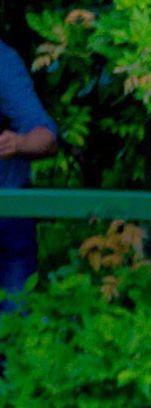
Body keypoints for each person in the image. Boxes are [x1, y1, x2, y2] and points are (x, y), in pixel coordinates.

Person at [1, 41, 57, 300]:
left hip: (8, 213)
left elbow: (45, 136)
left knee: (18, 324)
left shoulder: (3, 59)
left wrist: (19, 143)